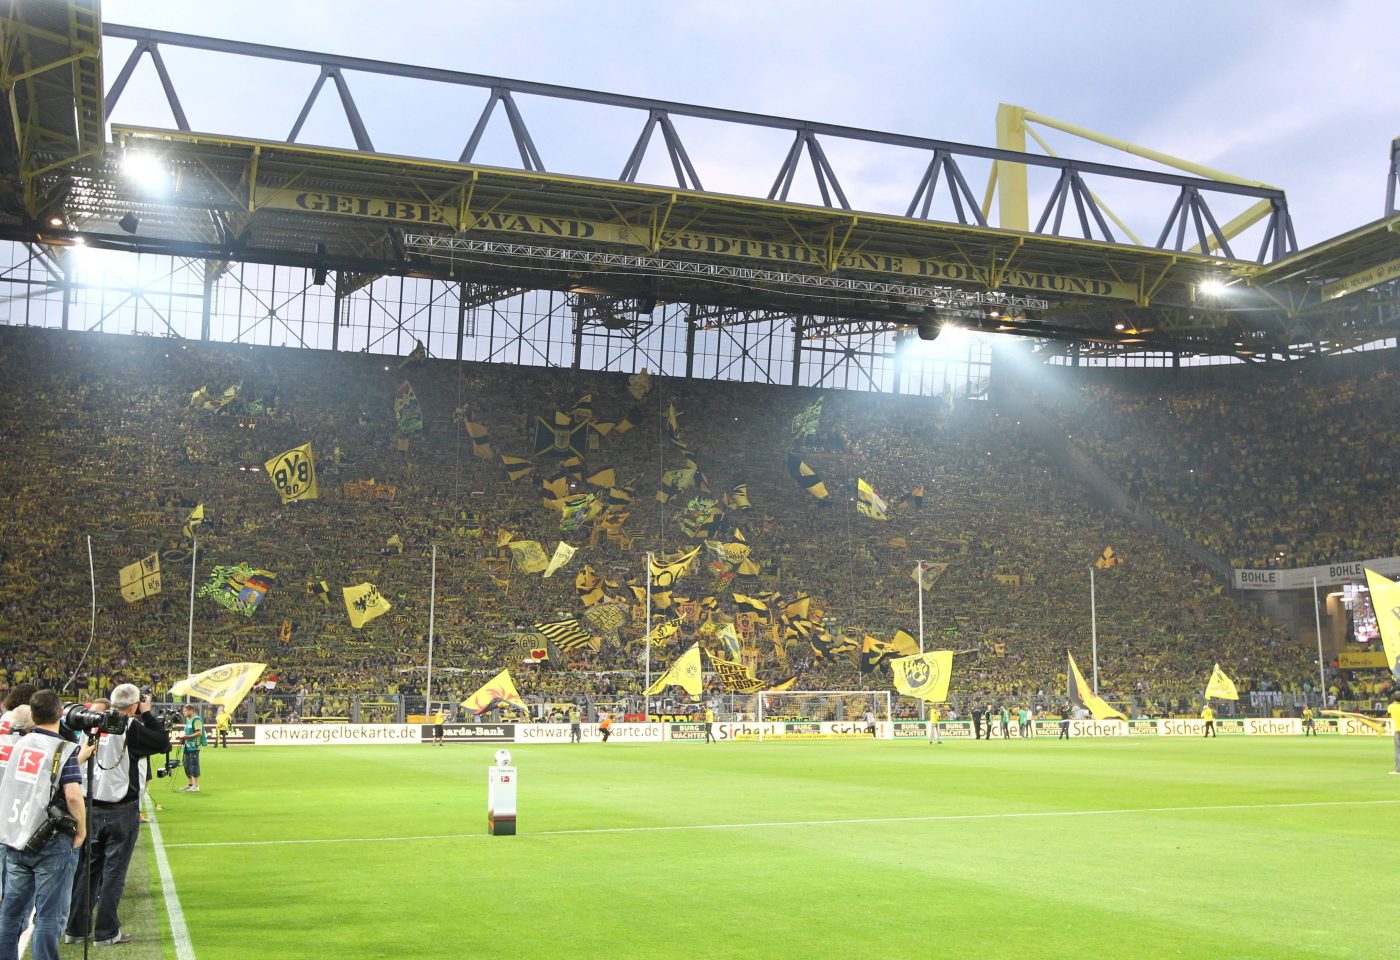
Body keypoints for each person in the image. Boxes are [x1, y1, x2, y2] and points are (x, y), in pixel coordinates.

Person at [65, 684, 171, 948]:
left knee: (87, 871)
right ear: (134, 706)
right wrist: (147, 714)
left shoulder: (92, 721)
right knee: (114, 872)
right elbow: (163, 742)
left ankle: (76, 929)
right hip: (120, 809)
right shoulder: (130, 727)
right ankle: (106, 932)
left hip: (90, 805)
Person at [0, 690, 87, 960]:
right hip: (50, 839)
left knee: (11, 913)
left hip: (16, 835)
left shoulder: (18, 744)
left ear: (33, 714)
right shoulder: (63, 749)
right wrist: (82, 829)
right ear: (61, 713)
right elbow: (73, 796)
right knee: (48, 915)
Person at [177, 704, 206, 792]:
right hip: (187, 746)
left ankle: (195, 786)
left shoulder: (196, 720)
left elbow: (199, 733)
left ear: (191, 711)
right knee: (186, 766)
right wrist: (184, 739)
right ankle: (190, 785)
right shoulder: (188, 720)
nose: (183, 713)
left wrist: (187, 737)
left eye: (185, 711)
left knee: (194, 766)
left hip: (194, 747)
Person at [1388, 695, 1400, 775]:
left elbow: (1389, 712)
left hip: (1398, 730)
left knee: (1398, 751)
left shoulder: (1391, 706)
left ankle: (1398, 770)